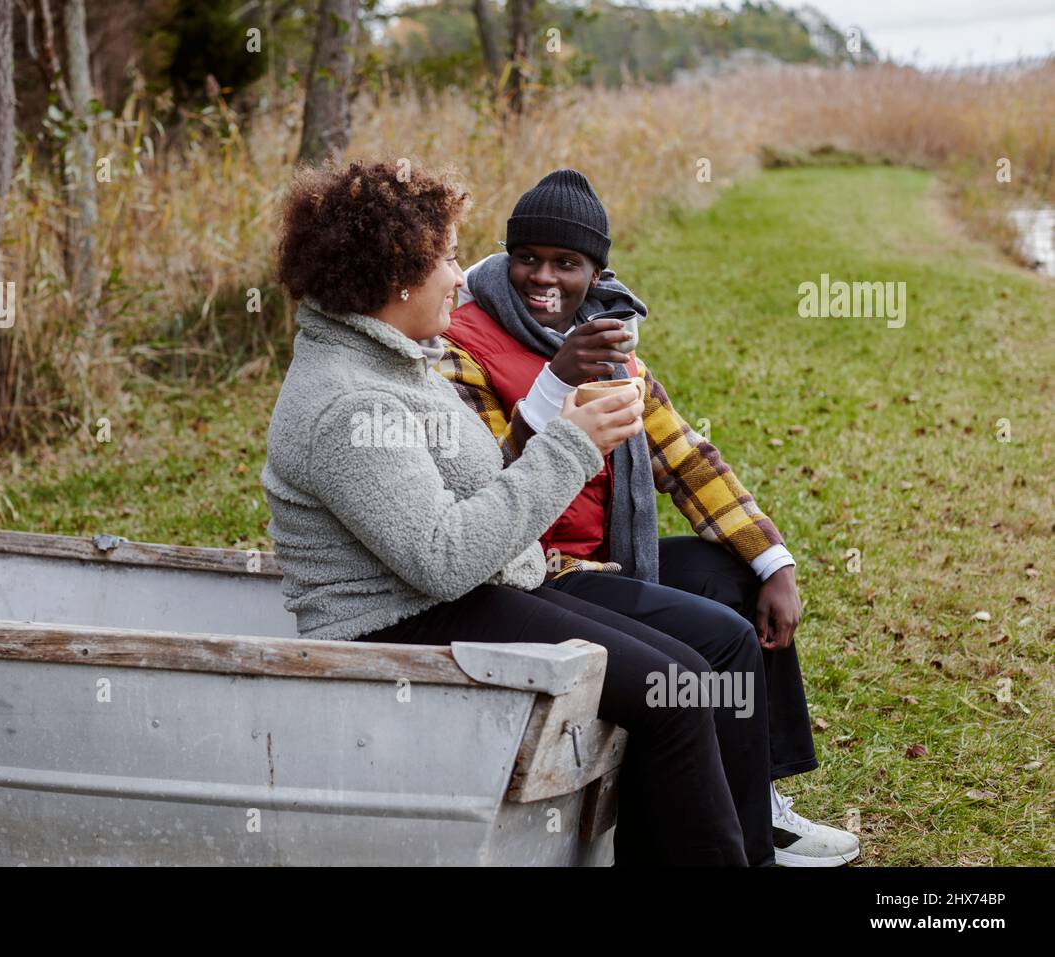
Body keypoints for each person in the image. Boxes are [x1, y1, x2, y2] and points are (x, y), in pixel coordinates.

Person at [262, 159, 762, 865]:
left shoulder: (399, 362)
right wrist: (572, 446)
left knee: (698, 656)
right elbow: (442, 558)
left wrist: (564, 422)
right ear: (391, 275)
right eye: (448, 257)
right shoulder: (351, 403)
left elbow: (475, 485)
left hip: (477, 587)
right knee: (672, 693)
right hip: (406, 619)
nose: (463, 276)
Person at [437, 167, 860, 866]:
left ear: (596, 270)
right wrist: (552, 386)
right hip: (536, 569)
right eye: (527, 257)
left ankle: (762, 797)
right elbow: (484, 484)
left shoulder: (606, 340)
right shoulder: (464, 341)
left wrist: (774, 559)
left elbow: (684, 457)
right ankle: (742, 834)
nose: (543, 276)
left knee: (738, 579)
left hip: (606, 554)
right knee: (715, 642)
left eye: (566, 262)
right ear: (504, 257)